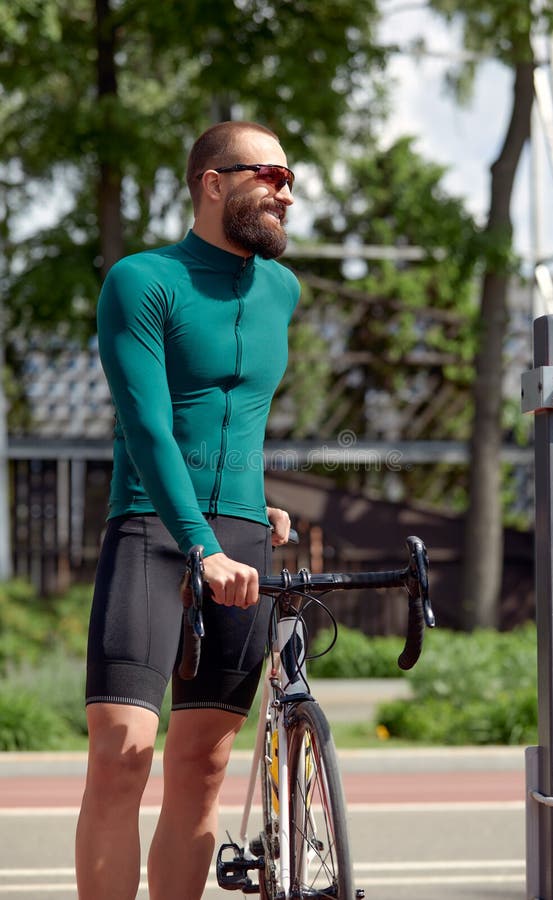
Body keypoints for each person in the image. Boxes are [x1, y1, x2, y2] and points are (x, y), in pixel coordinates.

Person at [75, 121, 300, 900]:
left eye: (289, 177)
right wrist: (201, 544)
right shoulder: (142, 281)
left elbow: (240, 416)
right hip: (153, 531)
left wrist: (251, 499)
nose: (285, 190)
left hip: (239, 533)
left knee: (203, 765)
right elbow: (150, 427)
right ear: (212, 182)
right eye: (268, 174)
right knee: (121, 752)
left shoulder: (283, 290)